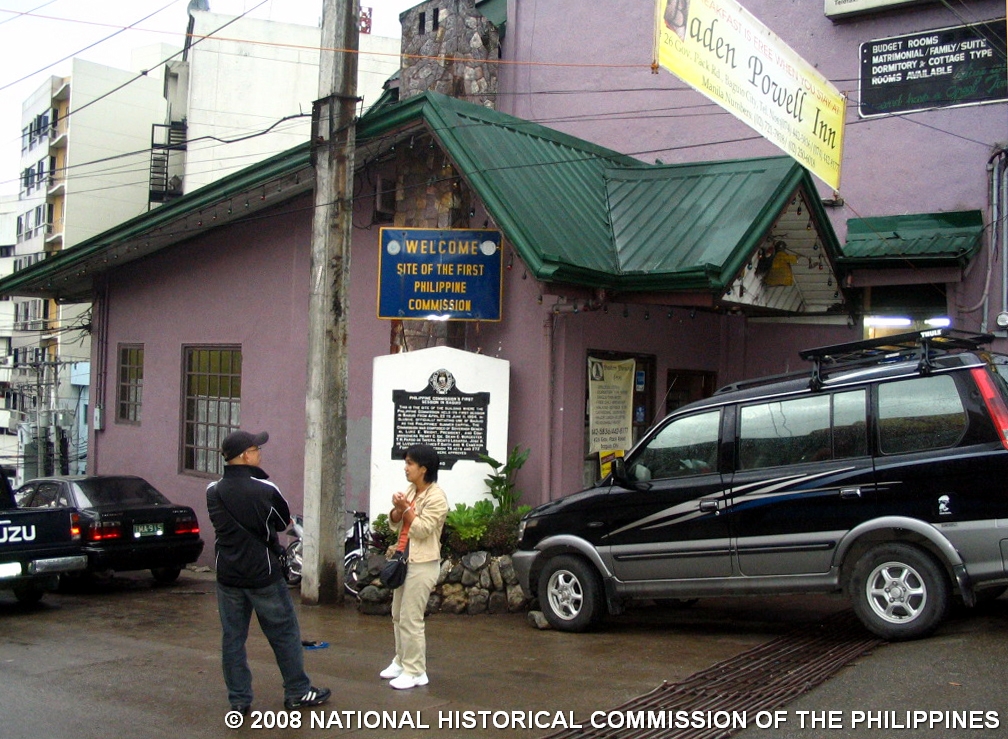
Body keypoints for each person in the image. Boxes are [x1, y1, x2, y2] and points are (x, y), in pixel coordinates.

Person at [206, 429, 331, 714]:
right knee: (284, 633)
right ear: (246, 456)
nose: (260, 453)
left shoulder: (213, 491)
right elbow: (281, 521)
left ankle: (239, 699)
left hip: (228, 574)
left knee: (233, 638)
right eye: (256, 450)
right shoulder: (265, 489)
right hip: (263, 573)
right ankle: (297, 691)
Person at [380, 443, 449, 690]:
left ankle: (416, 670)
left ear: (424, 468)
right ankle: (401, 661)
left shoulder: (437, 496)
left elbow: (421, 529)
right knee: (398, 614)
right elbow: (395, 523)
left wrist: (406, 509)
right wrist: (398, 510)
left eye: (410, 463)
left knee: (411, 618)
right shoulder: (411, 490)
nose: (406, 468)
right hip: (403, 558)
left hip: (423, 563)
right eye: (406, 462)